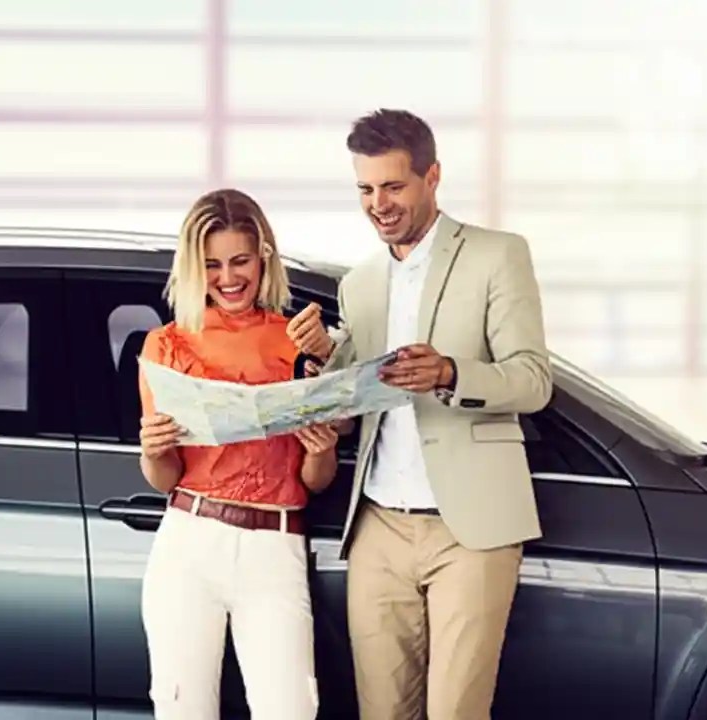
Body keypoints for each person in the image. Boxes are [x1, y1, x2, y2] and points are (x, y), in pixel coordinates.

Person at [286, 108, 552, 719]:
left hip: (471, 530)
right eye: (365, 189)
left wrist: (451, 373)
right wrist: (324, 364)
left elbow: (534, 380)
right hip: (378, 524)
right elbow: (358, 400)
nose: (378, 203)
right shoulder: (359, 284)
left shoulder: (497, 255)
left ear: (432, 177)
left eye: (393, 186)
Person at [136, 188, 339, 719]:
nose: (228, 278)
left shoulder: (297, 342)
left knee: (289, 709)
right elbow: (164, 477)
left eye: (240, 260)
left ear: (263, 256)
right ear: (192, 267)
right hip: (189, 541)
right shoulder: (167, 345)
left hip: (275, 546)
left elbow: (316, 480)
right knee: (183, 710)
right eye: (212, 265)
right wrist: (153, 449)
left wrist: (322, 447)